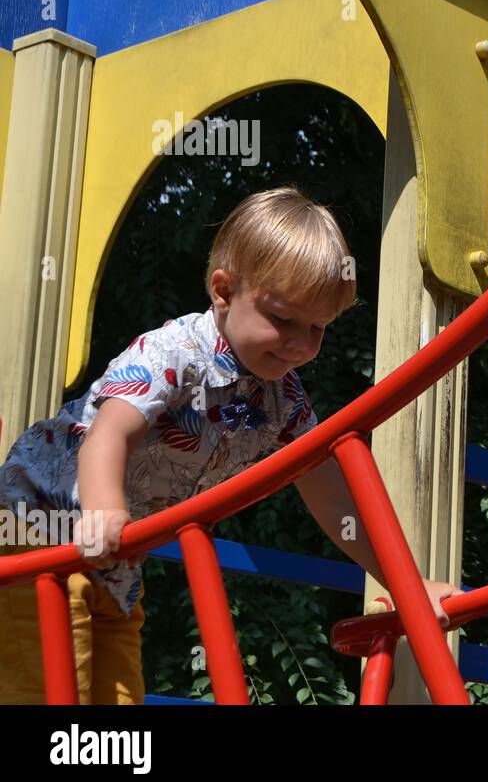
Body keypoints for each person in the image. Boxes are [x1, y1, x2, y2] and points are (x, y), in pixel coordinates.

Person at [0, 186, 462, 704]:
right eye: (283, 319)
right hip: (39, 531)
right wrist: (105, 510)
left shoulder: (285, 398)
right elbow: (110, 431)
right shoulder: (174, 351)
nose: (300, 344)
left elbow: (332, 495)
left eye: (318, 328)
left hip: (118, 569)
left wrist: (406, 585)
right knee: (49, 693)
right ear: (223, 291)